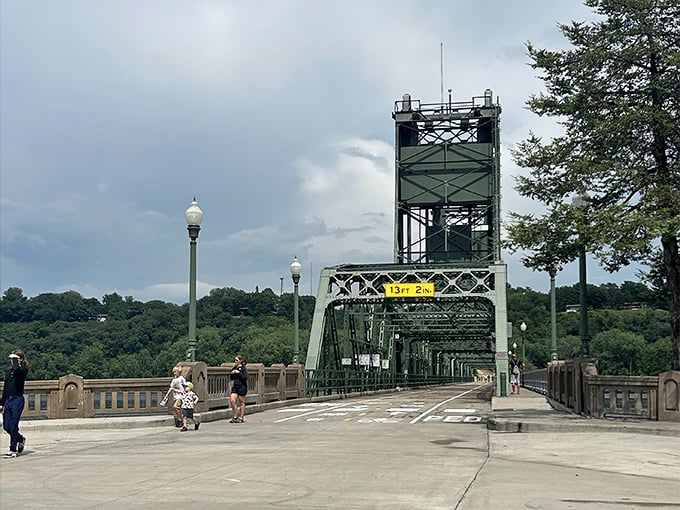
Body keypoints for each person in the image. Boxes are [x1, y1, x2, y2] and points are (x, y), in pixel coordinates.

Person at [1, 349, 29, 458]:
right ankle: (20, 438)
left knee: (13, 425)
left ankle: (13, 449)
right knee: (7, 426)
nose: (13, 361)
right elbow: (6, 387)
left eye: (15, 359)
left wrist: (17, 361)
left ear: (21, 359)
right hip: (8, 400)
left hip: (17, 400)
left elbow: (18, 372)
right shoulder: (8, 372)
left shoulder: (23, 370)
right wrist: (2, 403)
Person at [229, 355, 247, 423]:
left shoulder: (243, 368)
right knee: (232, 400)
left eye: (236, 360)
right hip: (235, 386)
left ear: (240, 361)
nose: (235, 362)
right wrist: (232, 373)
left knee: (241, 402)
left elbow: (245, 378)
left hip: (242, 386)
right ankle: (235, 415)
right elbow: (231, 378)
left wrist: (238, 373)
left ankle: (241, 417)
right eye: (235, 360)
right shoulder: (234, 367)